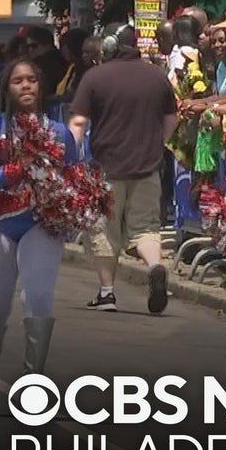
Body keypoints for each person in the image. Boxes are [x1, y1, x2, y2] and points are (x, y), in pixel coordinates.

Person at [0, 60, 78, 414]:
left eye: (32, 79)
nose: (26, 86)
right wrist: (13, 172)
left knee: (40, 299)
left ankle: (33, 387)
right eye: (17, 80)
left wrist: (78, 204)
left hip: (41, 224)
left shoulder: (59, 132)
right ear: (6, 88)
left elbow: (74, 176)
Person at [69, 23, 179, 314]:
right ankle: (155, 266)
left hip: (107, 168)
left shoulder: (95, 77)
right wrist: (158, 144)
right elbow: (172, 118)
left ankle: (107, 294)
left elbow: (78, 122)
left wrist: (68, 158)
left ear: (107, 45)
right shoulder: (156, 77)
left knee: (104, 231)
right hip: (148, 166)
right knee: (146, 228)